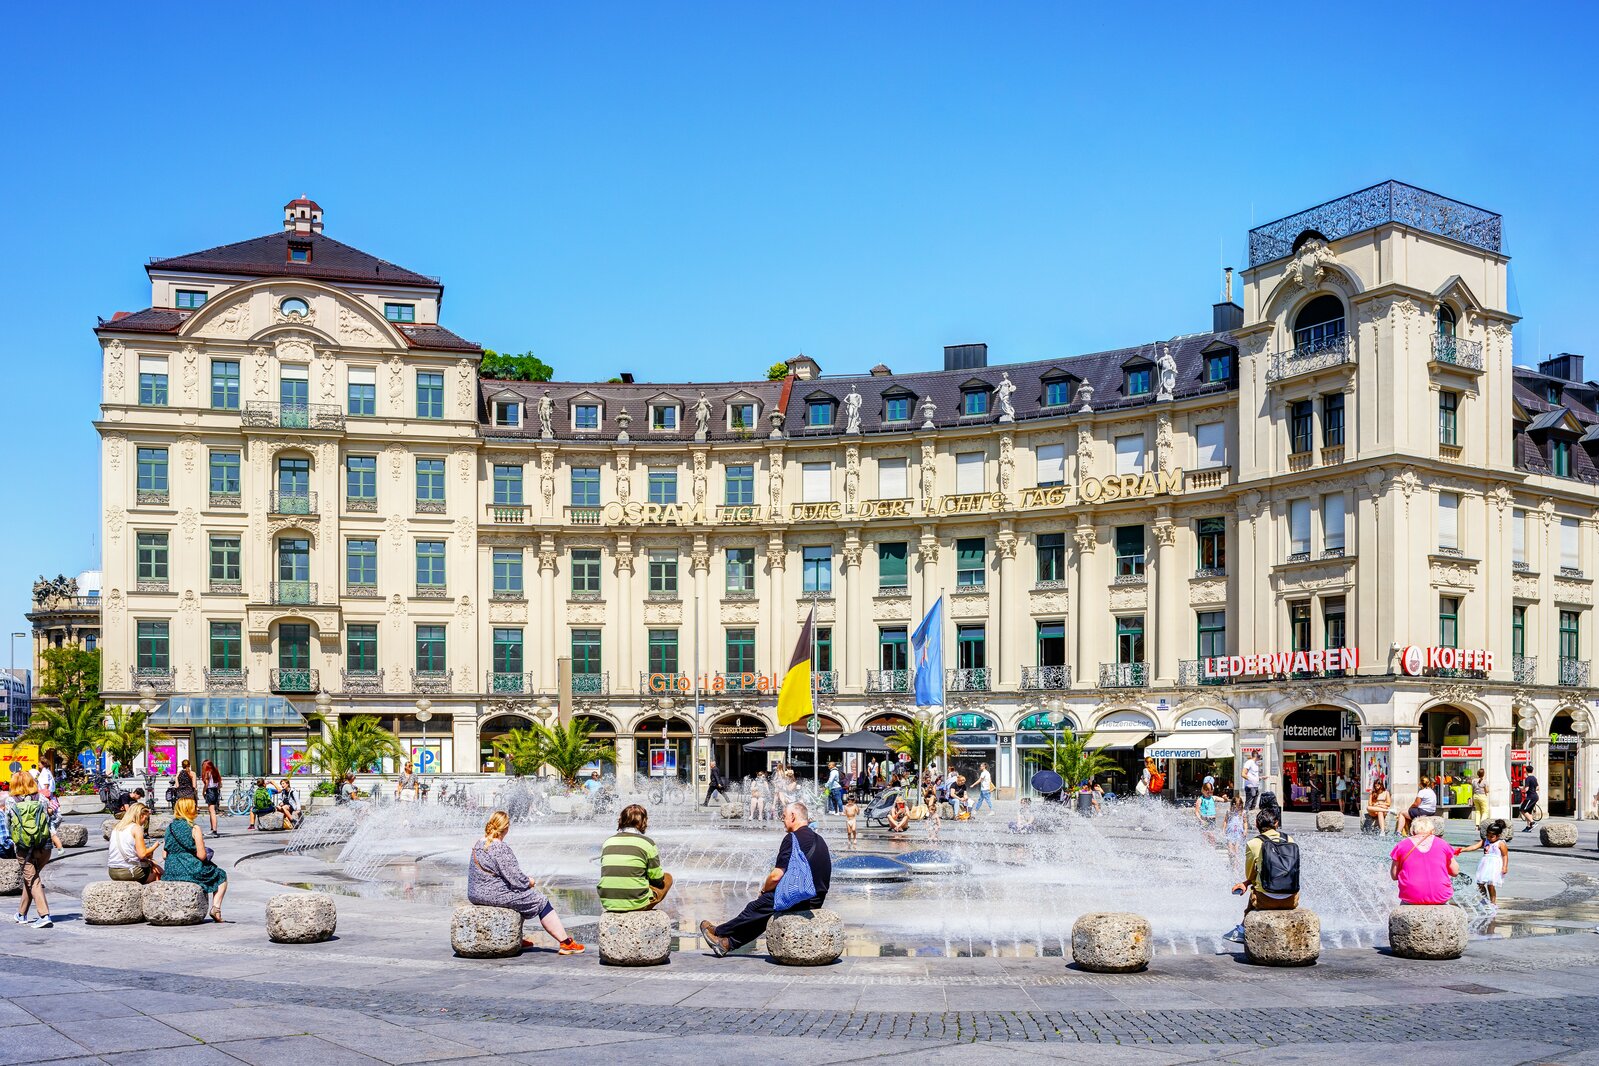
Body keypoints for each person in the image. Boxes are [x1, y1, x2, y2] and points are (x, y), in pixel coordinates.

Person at [699, 802, 832, 956]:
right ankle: (726, 943)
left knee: (757, 906)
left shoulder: (792, 838)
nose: (782, 820)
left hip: (801, 898)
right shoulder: (819, 839)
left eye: (784, 816)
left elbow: (776, 876)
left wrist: (764, 890)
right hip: (816, 898)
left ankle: (719, 931)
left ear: (793, 817)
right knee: (765, 913)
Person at [469, 810, 584, 954]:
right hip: (491, 894)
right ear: (506, 828)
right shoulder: (499, 847)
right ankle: (566, 943)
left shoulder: (479, 843)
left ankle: (515, 936)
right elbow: (516, 878)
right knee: (540, 900)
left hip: (475, 893)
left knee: (518, 895)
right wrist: (529, 881)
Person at [1223, 808, 1298, 943]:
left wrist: (1246, 883)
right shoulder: (1290, 840)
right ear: (1276, 823)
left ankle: (1242, 929)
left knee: (1256, 887)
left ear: (1257, 825)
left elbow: (1250, 874)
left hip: (1266, 899)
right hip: (1292, 899)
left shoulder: (1254, 843)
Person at [8, 771, 60, 928]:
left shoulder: (12, 801)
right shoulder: (42, 798)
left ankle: (44, 915)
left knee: (33, 879)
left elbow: (7, 824)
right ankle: (21, 913)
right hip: (44, 846)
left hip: (24, 847)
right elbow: (56, 818)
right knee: (30, 878)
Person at [163, 797, 228, 922]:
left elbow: (164, 855)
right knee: (221, 875)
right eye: (195, 806)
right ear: (189, 809)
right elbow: (201, 856)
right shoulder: (194, 828)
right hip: (189, 868)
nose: (197, 809)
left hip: (171, 870)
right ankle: (216, 908)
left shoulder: (169, 828)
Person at [597, 804, 672, 911]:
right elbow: (657, 879)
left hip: (608, 901)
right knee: (668, 878)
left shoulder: (608, 842)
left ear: (621, 820)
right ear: (643, 822)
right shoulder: (648, 843)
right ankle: (641, 908)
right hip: (636, 901)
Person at [1390, 815, 1459, 905]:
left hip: (1411, 896)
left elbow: (1394, 875)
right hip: (1440, 896)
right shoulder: (1443, 844)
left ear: (1412, 831)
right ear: (1432, 831)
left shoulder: (1402, 845)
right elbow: (1455, 872)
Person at [1456, 818, 1510, 912]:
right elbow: (1474, 847)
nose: (1489, 837)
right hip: (1485, 863)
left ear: (1498, 835)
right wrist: (1462, 850)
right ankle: (1484, 899)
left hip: (1494, 864)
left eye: (1491, 836)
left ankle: (1493, 902)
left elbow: (1505, 855)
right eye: (1487, 835)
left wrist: (1505, 867)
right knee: (1480, 883)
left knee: (1491, 884)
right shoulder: (1485, 841)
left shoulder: (1501, 843)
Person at [108, 801, 162, 884]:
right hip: (128, 872)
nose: (145, 822)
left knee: (153, 865)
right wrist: (155, 846)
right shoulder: (136, 828)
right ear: (140, 815)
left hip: (112, 871)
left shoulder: (117, 827)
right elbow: (142, 854)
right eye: (146, 818)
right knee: (158, 872)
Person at [200, 760, 223, 833]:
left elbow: (206, 784)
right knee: (211, 811)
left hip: (210, 791)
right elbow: (220, 784)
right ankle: (212, 828)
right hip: (215, 791)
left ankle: (214, 829)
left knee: (212, 811)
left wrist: (203, 792)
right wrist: (216, 790)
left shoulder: (207, 773)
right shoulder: (215, 772)